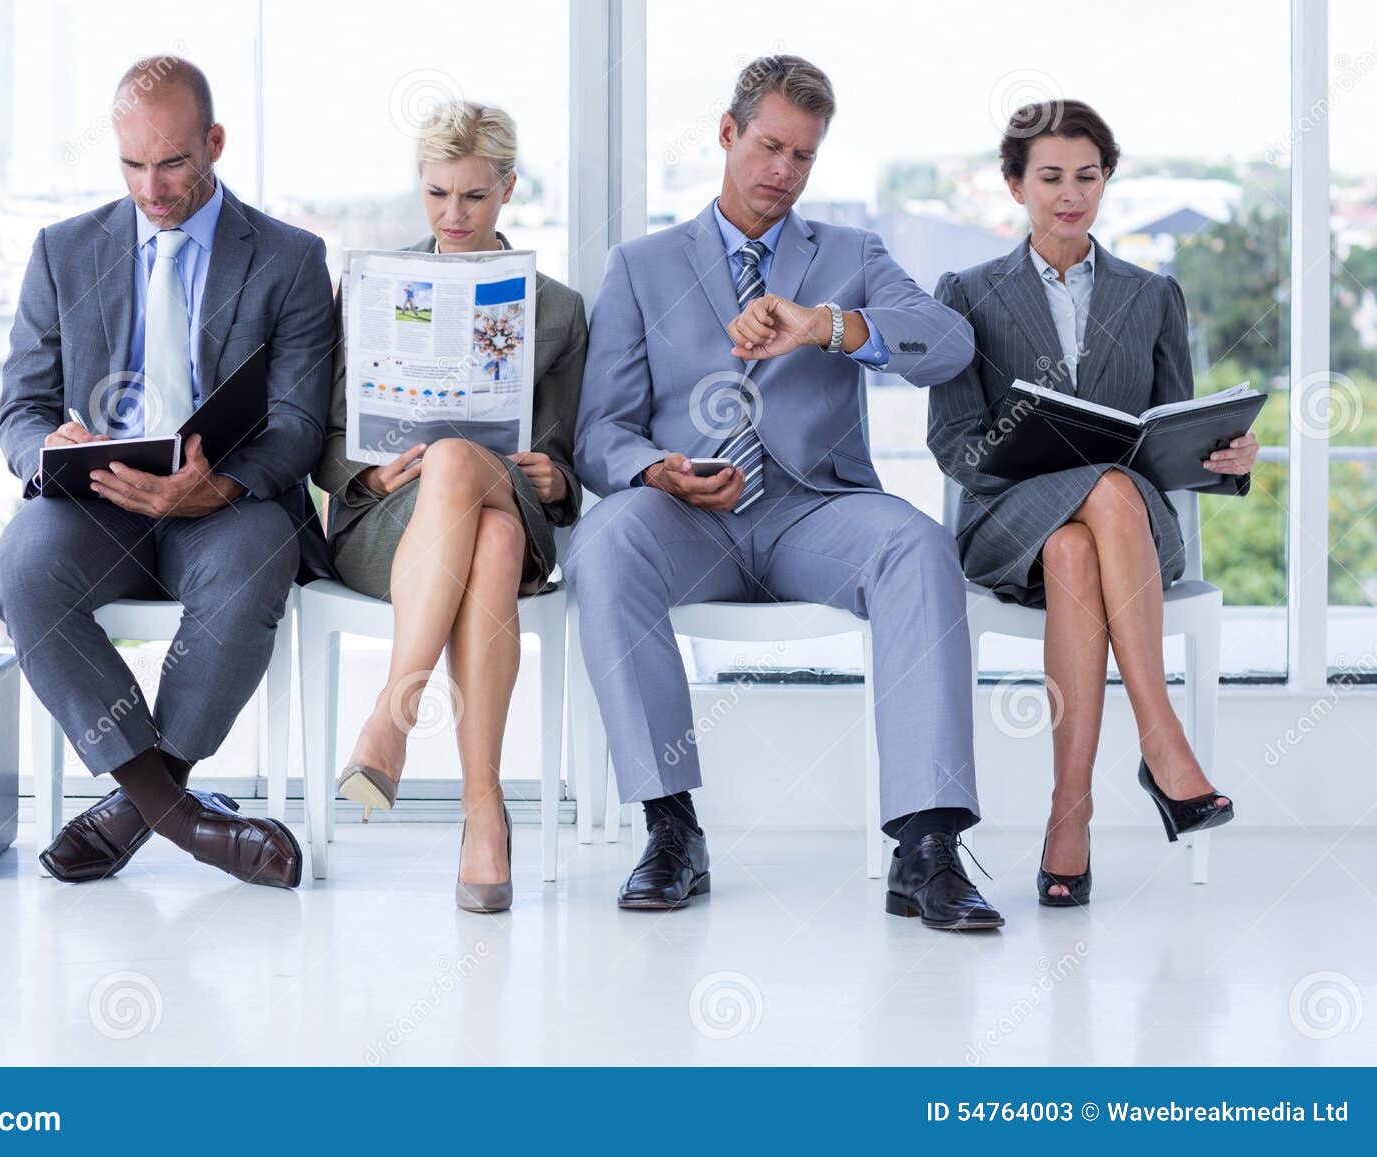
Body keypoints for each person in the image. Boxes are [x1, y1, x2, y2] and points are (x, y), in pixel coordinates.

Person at [569, 56, 1003, 931]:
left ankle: (926, 846)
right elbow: (599, 434)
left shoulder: (849, 254)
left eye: (803, 157)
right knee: (606, 543)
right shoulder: (642, 266)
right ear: (727, 135)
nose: (783, 172)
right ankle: (669, 828)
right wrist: (659, 471)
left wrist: (828, 326)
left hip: (817, 511)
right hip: (688, 515)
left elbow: (950, 344)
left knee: (917, 546)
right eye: (769, 147)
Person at [0, 56, 338, 889]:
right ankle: (184, 818)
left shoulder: (290, 259)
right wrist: (52, 446)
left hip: (226, 502)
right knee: (22, 568)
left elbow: (298, 426)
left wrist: (214, 485)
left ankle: (138, 801)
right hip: (99, 503)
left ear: (213, 143)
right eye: (133, 164)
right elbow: (19, 410)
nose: (152, 186)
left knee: (260, 554)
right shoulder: (62, 251)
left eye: (175, 162)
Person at [926, 100, 1254, 907]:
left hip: (1129, 534)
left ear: (1106, 181)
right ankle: (1162, 742)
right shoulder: (966, 291)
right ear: (1014, 186)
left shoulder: (1152, 295)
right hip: (1009, 526)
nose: (1070, 194)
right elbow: (953, 441)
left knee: (1089, 529)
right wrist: (1032, 452)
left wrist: (1228, 459)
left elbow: (1172, 433)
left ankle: (1068, 814)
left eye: (1087, 176)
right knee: (1096, 495)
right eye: (1050, 178)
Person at [313, 100, 589, 912]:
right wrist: (366, 477)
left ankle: (392, 720)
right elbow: (328, 444)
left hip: (511, 497)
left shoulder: (561, 310)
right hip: (387, 521)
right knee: (491, 542)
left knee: (471, 469)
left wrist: (556, 480)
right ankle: (484, 820)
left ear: (508, 188)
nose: (453, 215)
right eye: (437, 195)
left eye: (473, 196)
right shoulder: (370, 288)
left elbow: (569, 462)